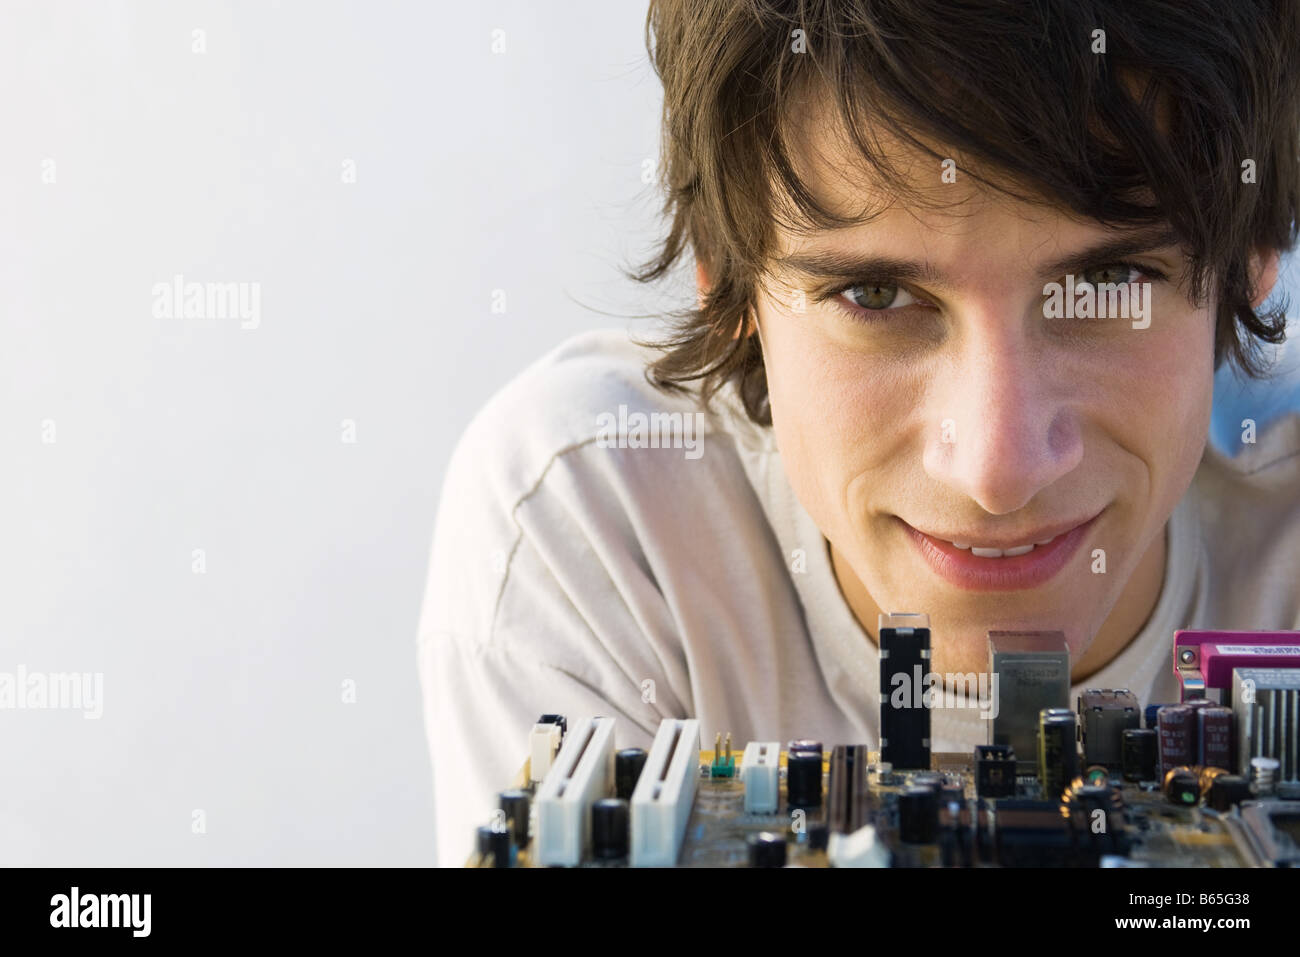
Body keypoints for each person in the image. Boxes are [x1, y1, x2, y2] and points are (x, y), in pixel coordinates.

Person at [418, 0, 1300, 866]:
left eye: (1109, 280)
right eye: (875, 295)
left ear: (1253, 258)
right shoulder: (597, 522)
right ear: (727, 283)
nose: (997, 470)